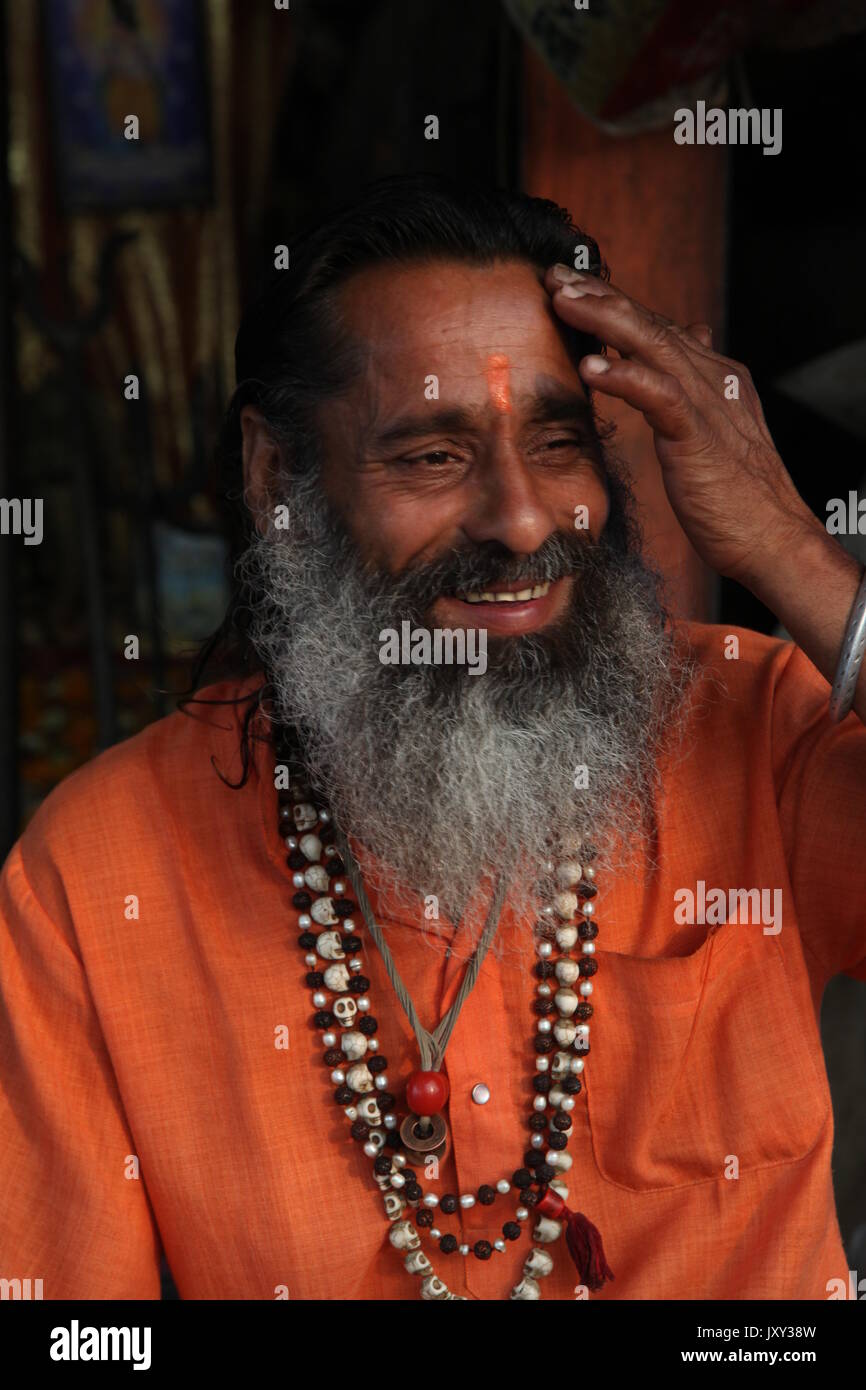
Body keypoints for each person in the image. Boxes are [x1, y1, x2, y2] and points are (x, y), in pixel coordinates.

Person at [2, 174, 864, 1302]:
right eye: (430, 456)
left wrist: (795, 553)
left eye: (558, 443)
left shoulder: (752, 724)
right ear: (277, 477)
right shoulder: (95, 877)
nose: (517, 519)